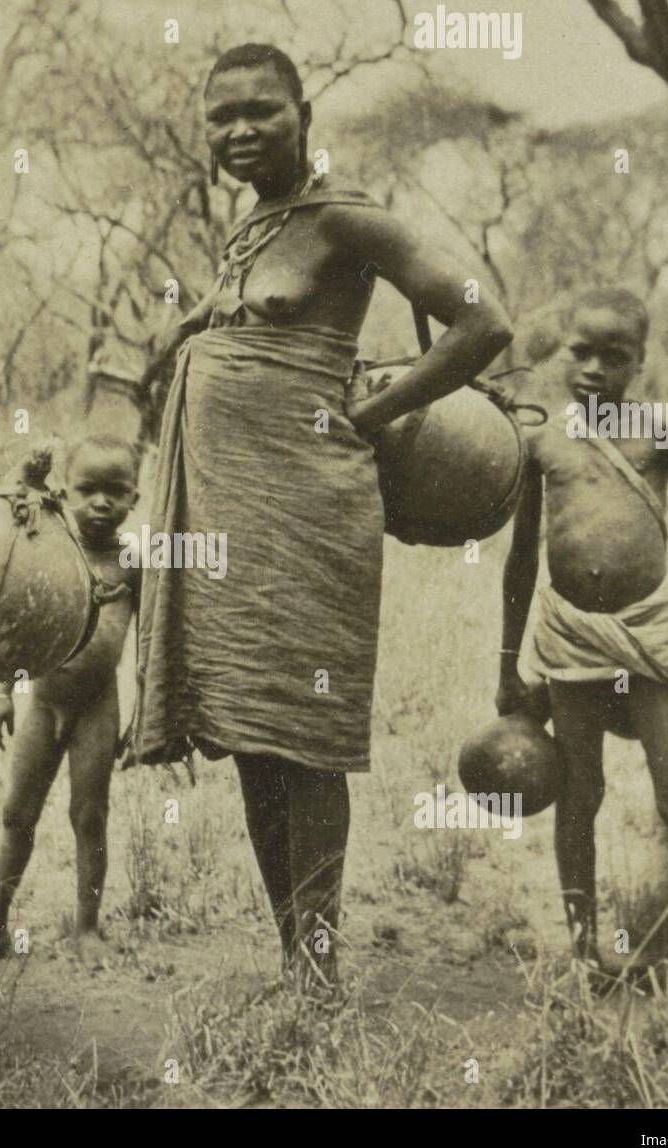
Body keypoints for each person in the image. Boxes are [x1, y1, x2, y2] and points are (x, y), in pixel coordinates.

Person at [134, 43, 512, 985]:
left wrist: (373, 408)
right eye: (221, 117)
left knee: (308, 741)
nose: (240, 130)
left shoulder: (347, 220)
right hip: (228, 526)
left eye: (262, 110)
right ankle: (294, 955)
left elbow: (485, 322)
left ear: (305, 114)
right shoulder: (251, 232)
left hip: (309, 515)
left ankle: (322, 965)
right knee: (254, 737)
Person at [496, 286, 668, 1020]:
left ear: (639, 363)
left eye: (612, 357)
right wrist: (506, 668)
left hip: (647, 635)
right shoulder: (542, 440)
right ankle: (586, 953)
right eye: (579, 352)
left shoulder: (662, 431)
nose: (591, 369)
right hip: (570, 637)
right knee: (579, 796)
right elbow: (520, 562)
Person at [0, 433, 140, 969]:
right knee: (17, 814)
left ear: (136, 496)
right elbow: (16, 621)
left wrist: (148, 705)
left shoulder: (134, 563)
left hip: (97, 705)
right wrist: (2, 694)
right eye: (87, 490)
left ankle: (87, 928)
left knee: (89, 815)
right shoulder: (52, 547)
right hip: (41, 697)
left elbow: (151, 640)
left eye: (116, 491)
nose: (101, 503)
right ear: (64, 490)